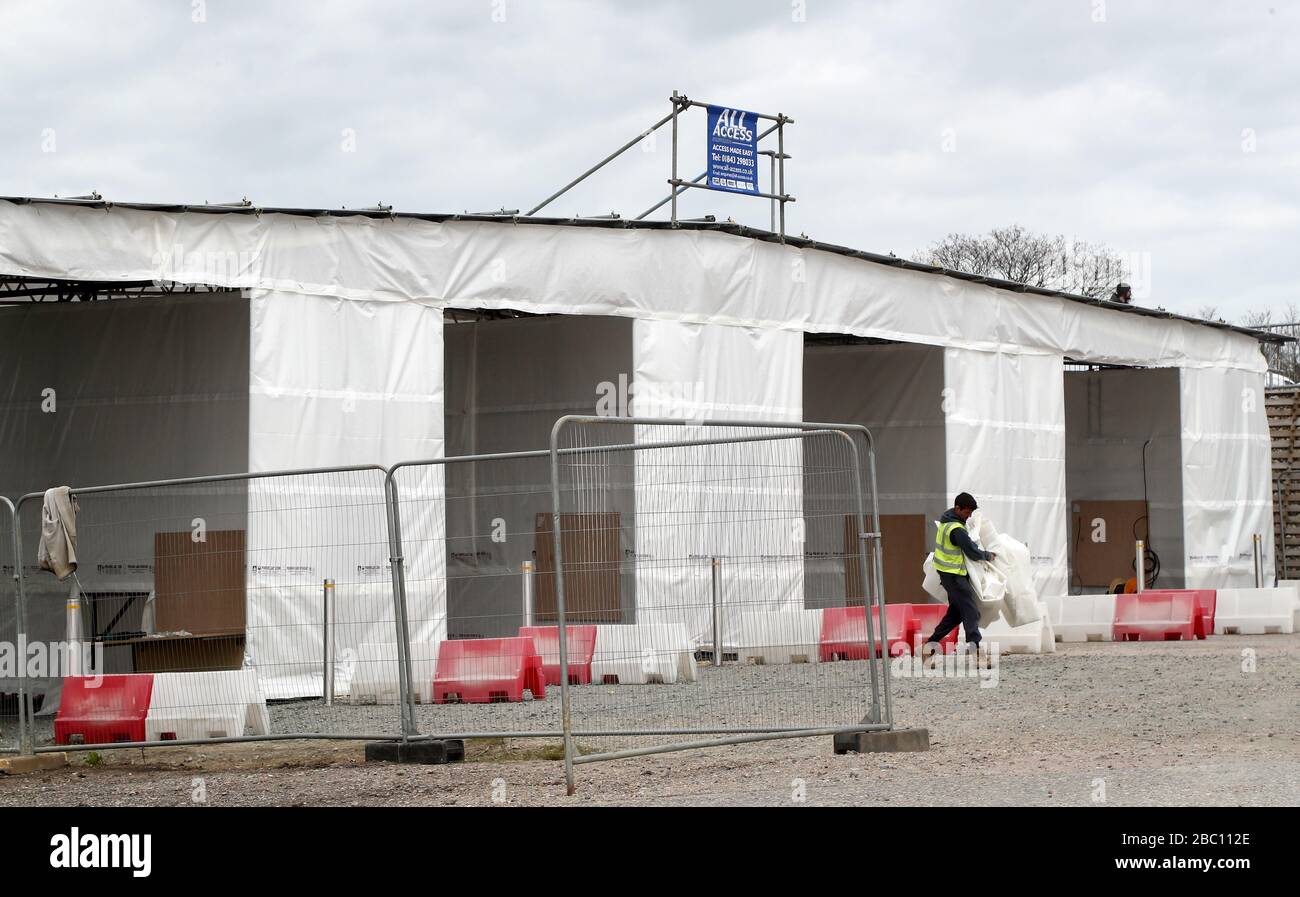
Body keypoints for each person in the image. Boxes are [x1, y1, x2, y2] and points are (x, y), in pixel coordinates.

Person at [923, 492, 995, 667]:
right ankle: (977, 653)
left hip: (949, 575)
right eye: (967, 512)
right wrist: (987, 555)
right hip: (954, 576)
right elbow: (970, 550)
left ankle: (927, 649)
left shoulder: (947, 522)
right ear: (958, 508)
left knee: (955, 615)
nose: (969, 515)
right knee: (971, 612)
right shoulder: (955, 529)